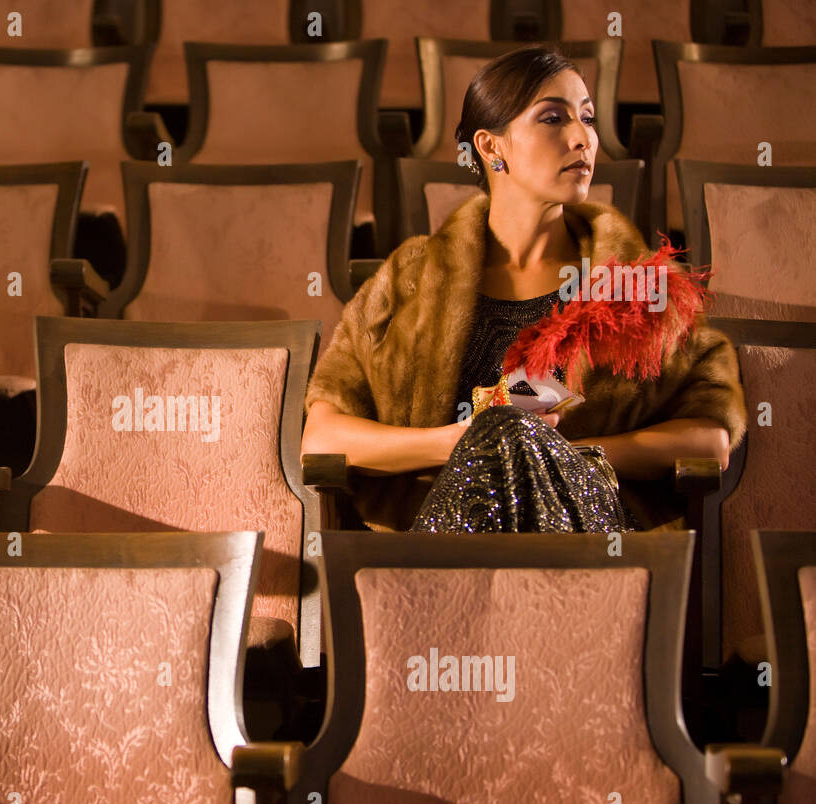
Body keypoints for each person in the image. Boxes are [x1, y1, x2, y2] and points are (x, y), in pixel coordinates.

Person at [301, 44, 747, 533]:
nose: (582, 139)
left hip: (588, 537)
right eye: (553, 118)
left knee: (513, 434)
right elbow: (322, 437)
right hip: (441, 535)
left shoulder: (635, 284)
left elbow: (710, 438)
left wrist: (551, 454)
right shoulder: (408, 281)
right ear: (492, 147)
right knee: (502, 432)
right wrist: (464, 442)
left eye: (588, 118)